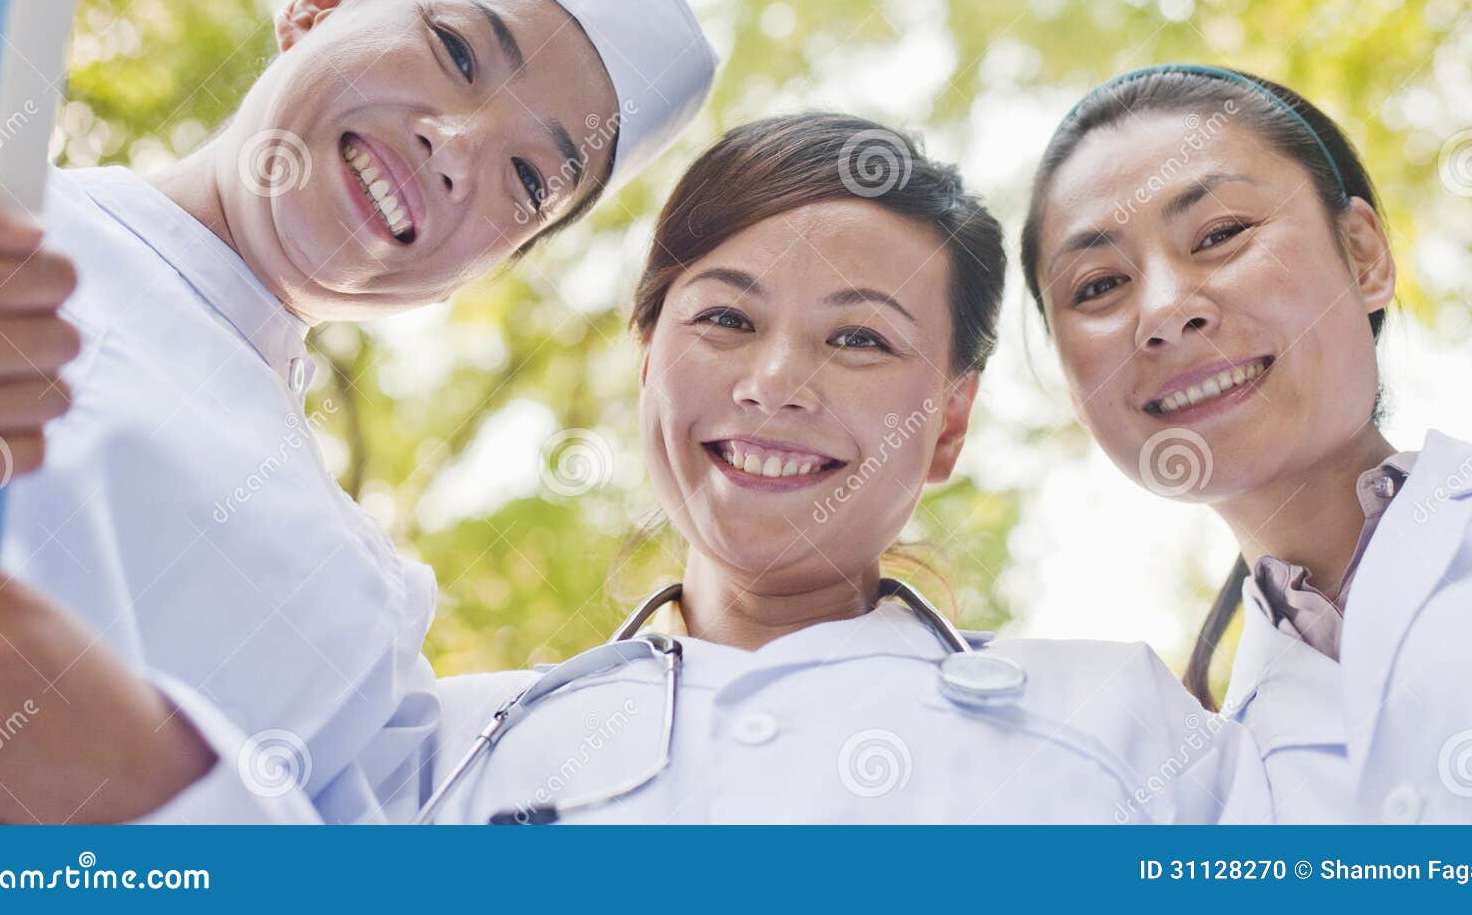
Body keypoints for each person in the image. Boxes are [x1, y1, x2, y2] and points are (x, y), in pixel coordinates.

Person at [0, 0, 714, 824]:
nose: (456, 147)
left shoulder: (360, 618)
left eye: (528, 178)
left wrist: (149, 780)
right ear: (318, 4)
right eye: (457, 51)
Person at [411, 113, 1272, 824]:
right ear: (646, 362)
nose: (775, 383)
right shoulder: (443, 748)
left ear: (950, 422)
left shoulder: (1124, 729)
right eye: (726, 318)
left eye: (859, 338)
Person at [1017, 64, 1472, 823]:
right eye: (1097, 286)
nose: (1162, 310)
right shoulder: (1200, 783)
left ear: (1364, 256)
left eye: (1220, 234)